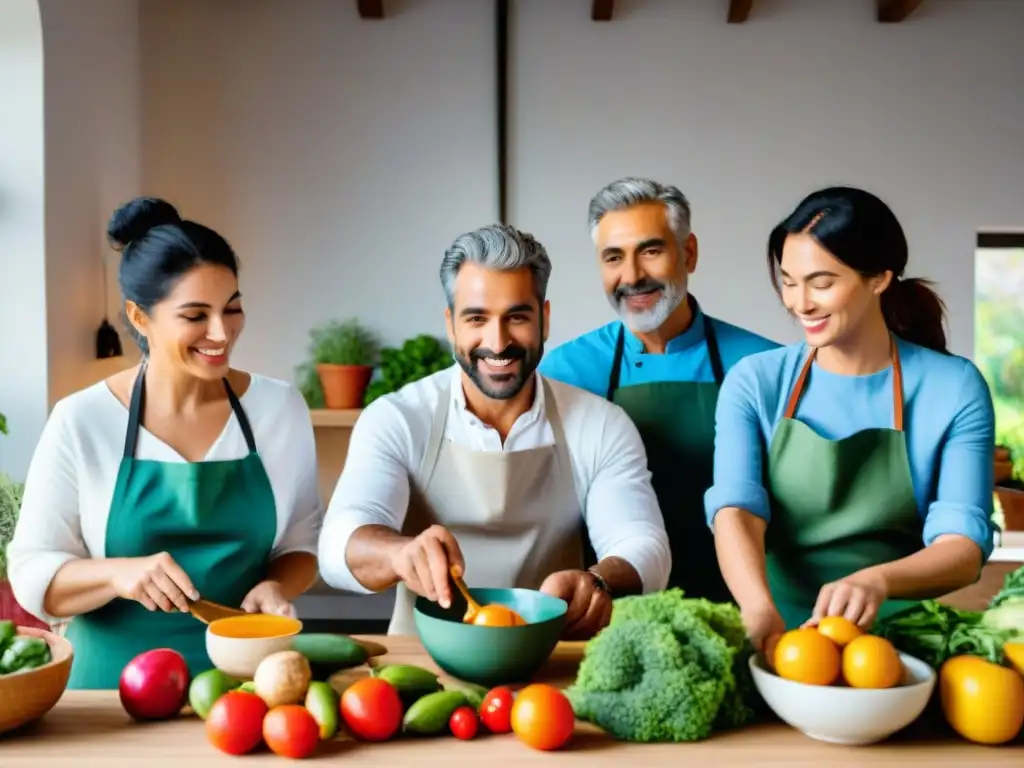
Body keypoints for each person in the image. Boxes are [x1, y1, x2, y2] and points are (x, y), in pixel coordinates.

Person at [7, 198, 323, 689]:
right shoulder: (82, 420)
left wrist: (276, 585)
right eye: (195, 315)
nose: (222, 332)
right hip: (109, 695)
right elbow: (32, 577)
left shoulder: (277, 409)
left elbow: (303, 543)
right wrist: (117, 575)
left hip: (246, 686)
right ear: (139, 316)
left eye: (232, 308)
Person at [318, 223, 671, 639]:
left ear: (545, 319)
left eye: (517, 317)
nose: (498, 342)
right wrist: (400, 554)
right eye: (476, 318)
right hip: (422, 664)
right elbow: (338, 545)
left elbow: (644, 544)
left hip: (551, 662)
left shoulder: (600, 424)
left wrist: (600, 579)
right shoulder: (397, 418)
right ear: (451, 325)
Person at [705, 185, 996, 655]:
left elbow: (963, 546)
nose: (800, 303)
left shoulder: (953, 387)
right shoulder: (756, 382)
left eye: (821, 283)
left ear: (879, 278)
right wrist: (757, 608)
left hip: (898, 650)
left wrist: (877, 581)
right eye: (788, 280)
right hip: (781, 640)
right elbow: (735, 510)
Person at [539, 178, 778, 603]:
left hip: (744, 605)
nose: (632, 276)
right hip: (609, 606)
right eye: (613, 257)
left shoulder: (764, 365)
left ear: (689, 253)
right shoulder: (563, 371)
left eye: (650, 251)